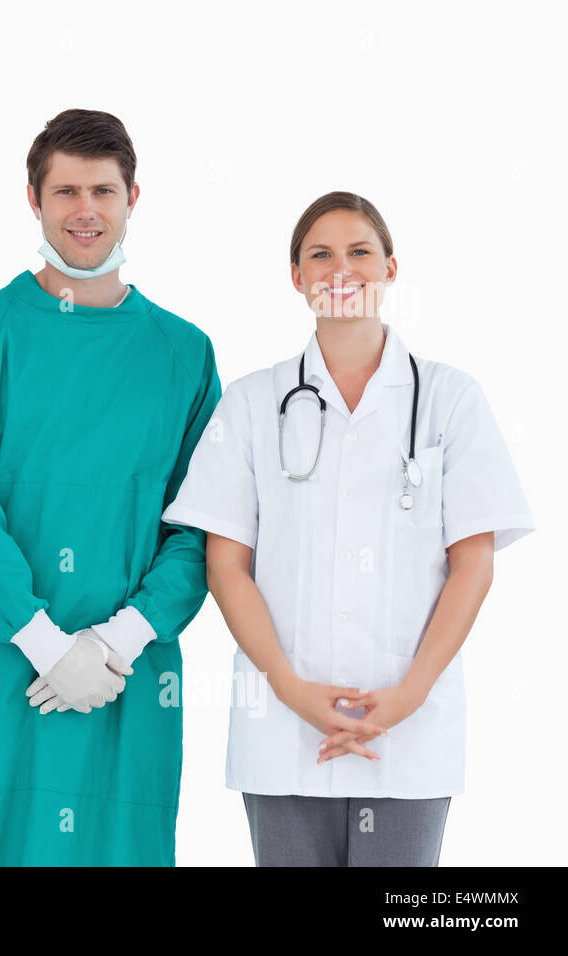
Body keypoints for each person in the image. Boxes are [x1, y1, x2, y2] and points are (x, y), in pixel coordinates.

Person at [162, 191, 535, 866]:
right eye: (321, 254)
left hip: (409, 731)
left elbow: (474, 563)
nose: (342, 268)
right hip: (282, 728)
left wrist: (411, 692)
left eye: (360, 251)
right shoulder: (251, 402)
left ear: (392, 268)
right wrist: (287, 684)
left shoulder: (451, 399)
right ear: (296, 276)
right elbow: (226, 565)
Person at [0, 109, 221, 866]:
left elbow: (204, 525)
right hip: (2, 664)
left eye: (104, 192)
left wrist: (118, 640)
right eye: (66, 191)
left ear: (133, 198)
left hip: (130, 678)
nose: (86, 211)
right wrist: (46, 644)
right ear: (34, 199)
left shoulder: (184, 353)